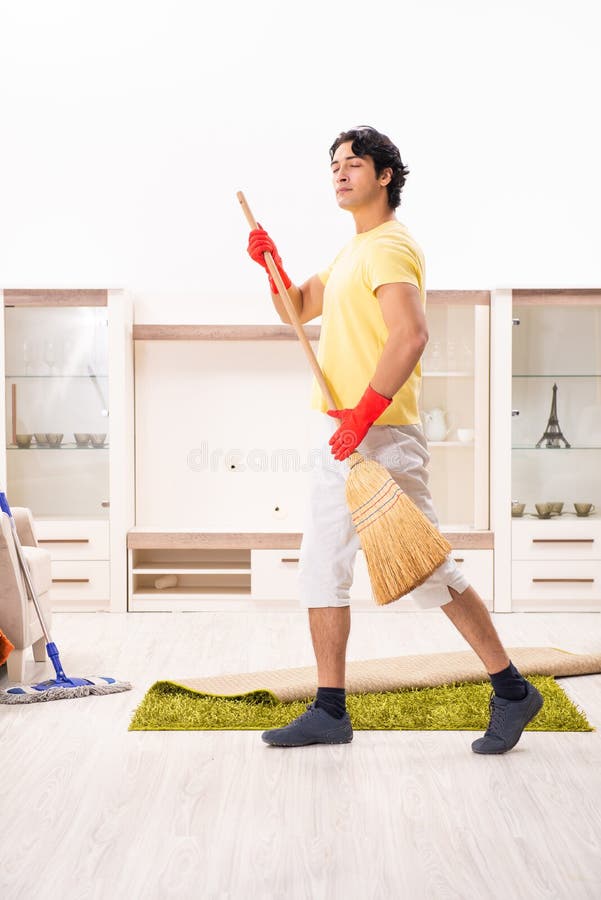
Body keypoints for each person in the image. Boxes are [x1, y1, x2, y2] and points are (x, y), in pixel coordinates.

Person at [246, 125, 543, 753]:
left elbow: (410, 335)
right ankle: (330, 709)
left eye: (354, 163)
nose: (340, 172)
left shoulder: (389, 246)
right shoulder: (351, 252)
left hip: (381, 435)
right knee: (321, 567)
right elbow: (297, 310)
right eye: (333, 165)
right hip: (345, 436)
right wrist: (271, 268)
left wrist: (364, 413)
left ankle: (513, 690)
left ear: (385, 176)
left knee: (428, 571)